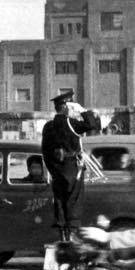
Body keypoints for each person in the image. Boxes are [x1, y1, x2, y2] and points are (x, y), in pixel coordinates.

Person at [41, 89, 92, 240]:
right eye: (71, 105)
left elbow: (45, 151)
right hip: (72, 168)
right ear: (65, 107)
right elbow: (91, 124)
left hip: (57, 170)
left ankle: (62, 234)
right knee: (74, 201)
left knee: (59, 201)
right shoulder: (71, 123)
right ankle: (72, 234)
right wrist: (82, 111)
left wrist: (53, 169)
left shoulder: (48, 126)